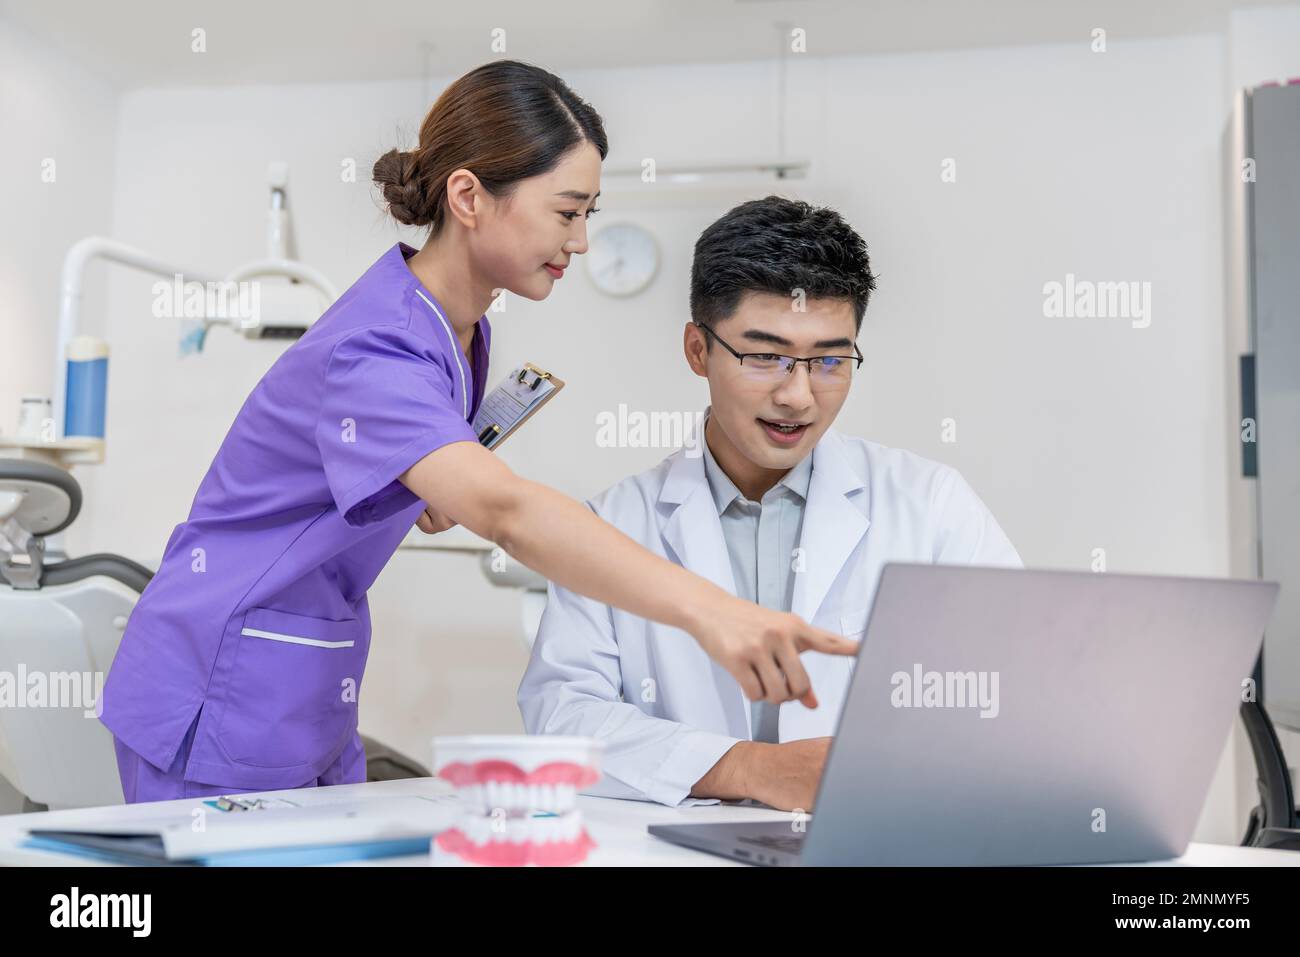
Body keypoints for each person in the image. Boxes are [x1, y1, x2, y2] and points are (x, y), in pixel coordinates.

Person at [100, 62, 853, 804]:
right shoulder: (378, 345)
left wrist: (420, 483)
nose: (582, 241)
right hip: (216, 679)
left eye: (589, 213)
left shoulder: (459, 331)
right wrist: (714, 611)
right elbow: (507, 511)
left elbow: (404, 484)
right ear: (468, 195)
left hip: (299, 675)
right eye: (566, 212)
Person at [518, 196, 1022, 810]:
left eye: (830, 360)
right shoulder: (613, 523)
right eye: (764, 356)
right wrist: (752, 770)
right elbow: (562, 718)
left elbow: (1011, 691)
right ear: (698, 350)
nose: (798, 395)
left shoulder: (930, 504)